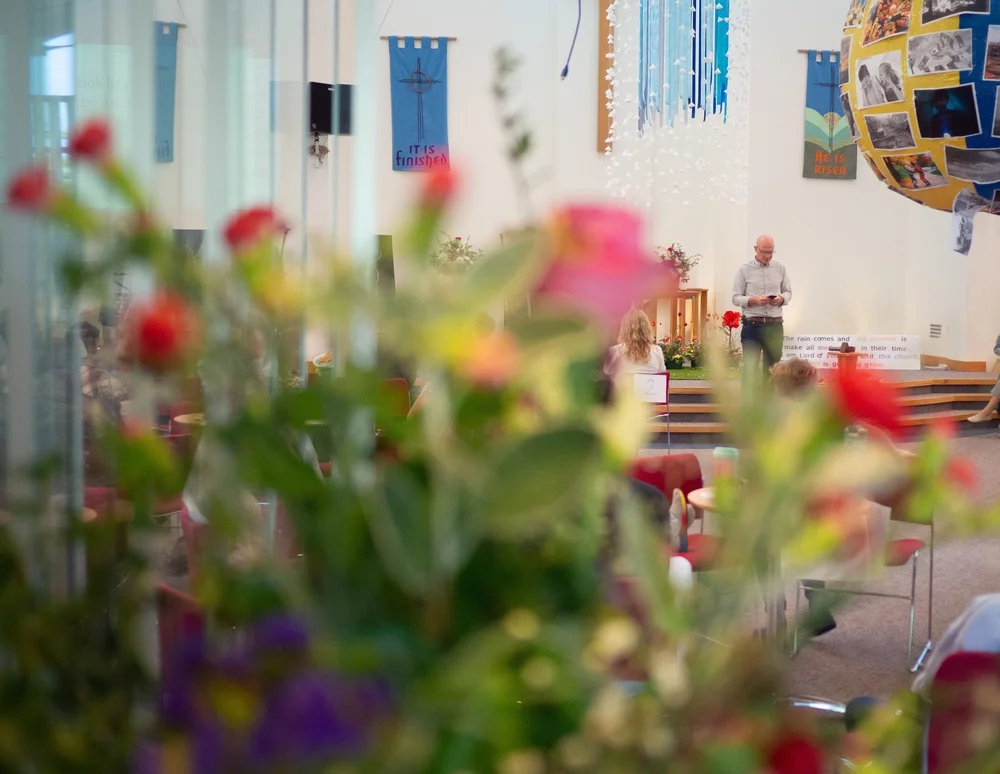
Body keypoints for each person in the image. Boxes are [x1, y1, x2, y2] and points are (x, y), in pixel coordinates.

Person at [731, 235, 792, 391]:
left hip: (775, 325)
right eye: (764, 252)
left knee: (773, 370)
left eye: (771, 252)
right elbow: (735, 298)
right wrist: (753, 300)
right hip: (753, 326)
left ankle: (769, 408)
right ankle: (748, 408)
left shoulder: (780, 268)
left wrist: (780, 299)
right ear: (755, 249)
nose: (768, 256)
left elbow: (788, 292)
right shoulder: (744, 269)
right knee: (750, 370)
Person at [604, 308, 666, 376]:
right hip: (648, 385)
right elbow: (662, 377)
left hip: (624, 386)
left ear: (624, 328)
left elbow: (608, 375)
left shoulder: (615, 351)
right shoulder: (657, 351)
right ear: (647, 328)